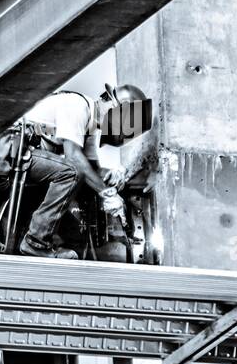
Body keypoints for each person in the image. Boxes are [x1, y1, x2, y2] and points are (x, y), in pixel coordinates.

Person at [17, 84, 152, 259]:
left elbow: (90, 168)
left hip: (32, 159)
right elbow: (74, 158)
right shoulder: (77, 107)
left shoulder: (90, 126)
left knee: (80, 192)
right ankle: (35, 242)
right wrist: (106, 193)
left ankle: (67, 250)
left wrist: (111, 176)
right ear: (117, 109)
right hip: (15, 153)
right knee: (72, 174)